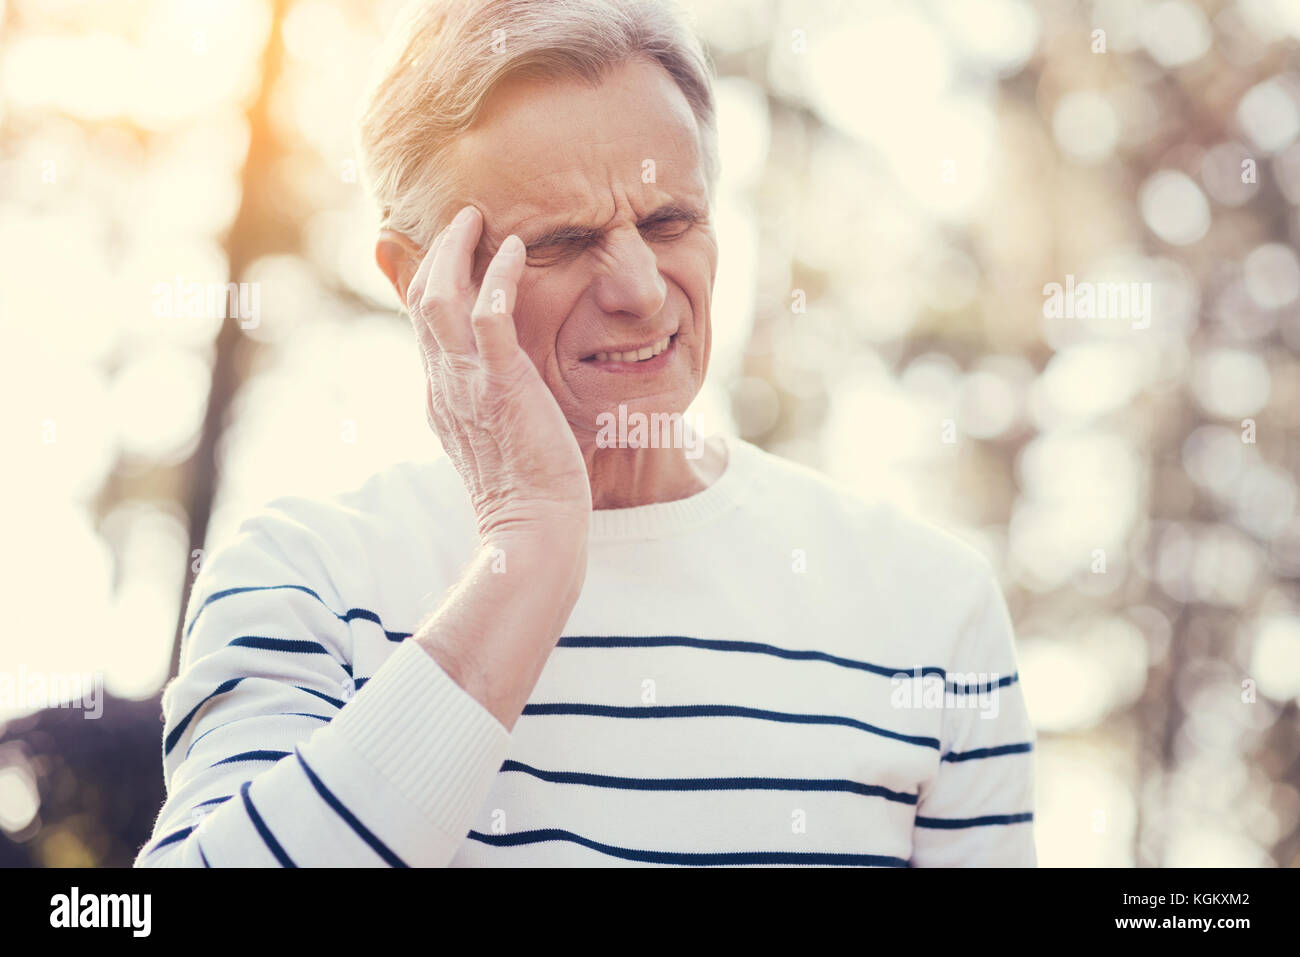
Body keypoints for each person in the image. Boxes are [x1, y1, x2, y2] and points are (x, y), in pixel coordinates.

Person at [136, 0, 1036, 867]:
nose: (642, 289)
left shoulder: (931, 605)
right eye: (564, 242)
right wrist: (525, 560)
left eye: (670, 221)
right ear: (420, 280)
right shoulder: (307, 577)